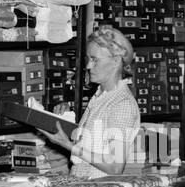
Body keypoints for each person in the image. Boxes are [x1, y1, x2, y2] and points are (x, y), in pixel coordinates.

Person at [42, 26, 141, 178]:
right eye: (89, 59)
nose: (88, 66)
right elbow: (92, 144)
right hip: (84, 185)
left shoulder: (122, 104)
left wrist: (68, 145)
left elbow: (114, 166)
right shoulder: (100, 97)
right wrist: (64, 123)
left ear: (115, 61)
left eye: (95, 60)